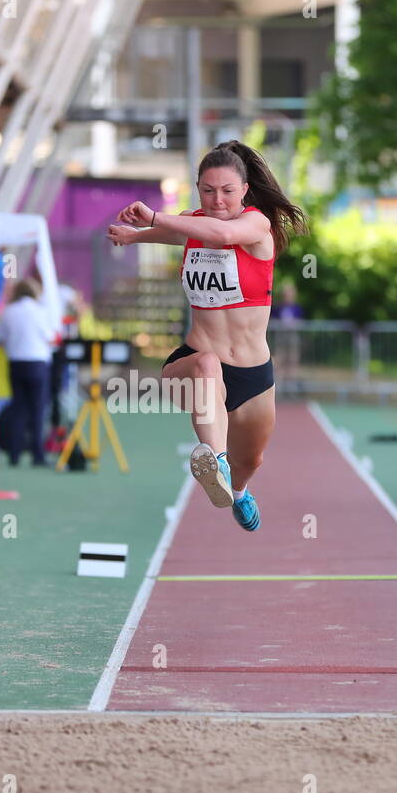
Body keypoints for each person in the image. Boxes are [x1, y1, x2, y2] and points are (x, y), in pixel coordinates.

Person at [106, 139, 307, 531]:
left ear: (245, 190)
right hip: (194, 359)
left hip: (253, 373)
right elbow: (182, 233)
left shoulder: (256, 225)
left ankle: (238, 490)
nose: (217, 200)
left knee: (252, 461)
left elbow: (219, 235)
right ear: (198, 189)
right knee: (207, 364)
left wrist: (154, 216)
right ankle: (214, 460)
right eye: (208, 191)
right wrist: (135, 236)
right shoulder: (193, 222)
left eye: (228, 191)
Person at [0, 277, 58, 466]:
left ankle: (14, 453)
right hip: (38, 363)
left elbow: (0, 339)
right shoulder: (40, 311)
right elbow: (50, 337)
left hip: (16, 363)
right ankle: (38, 454)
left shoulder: (8, 311)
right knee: (38, 409)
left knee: (18, 408)